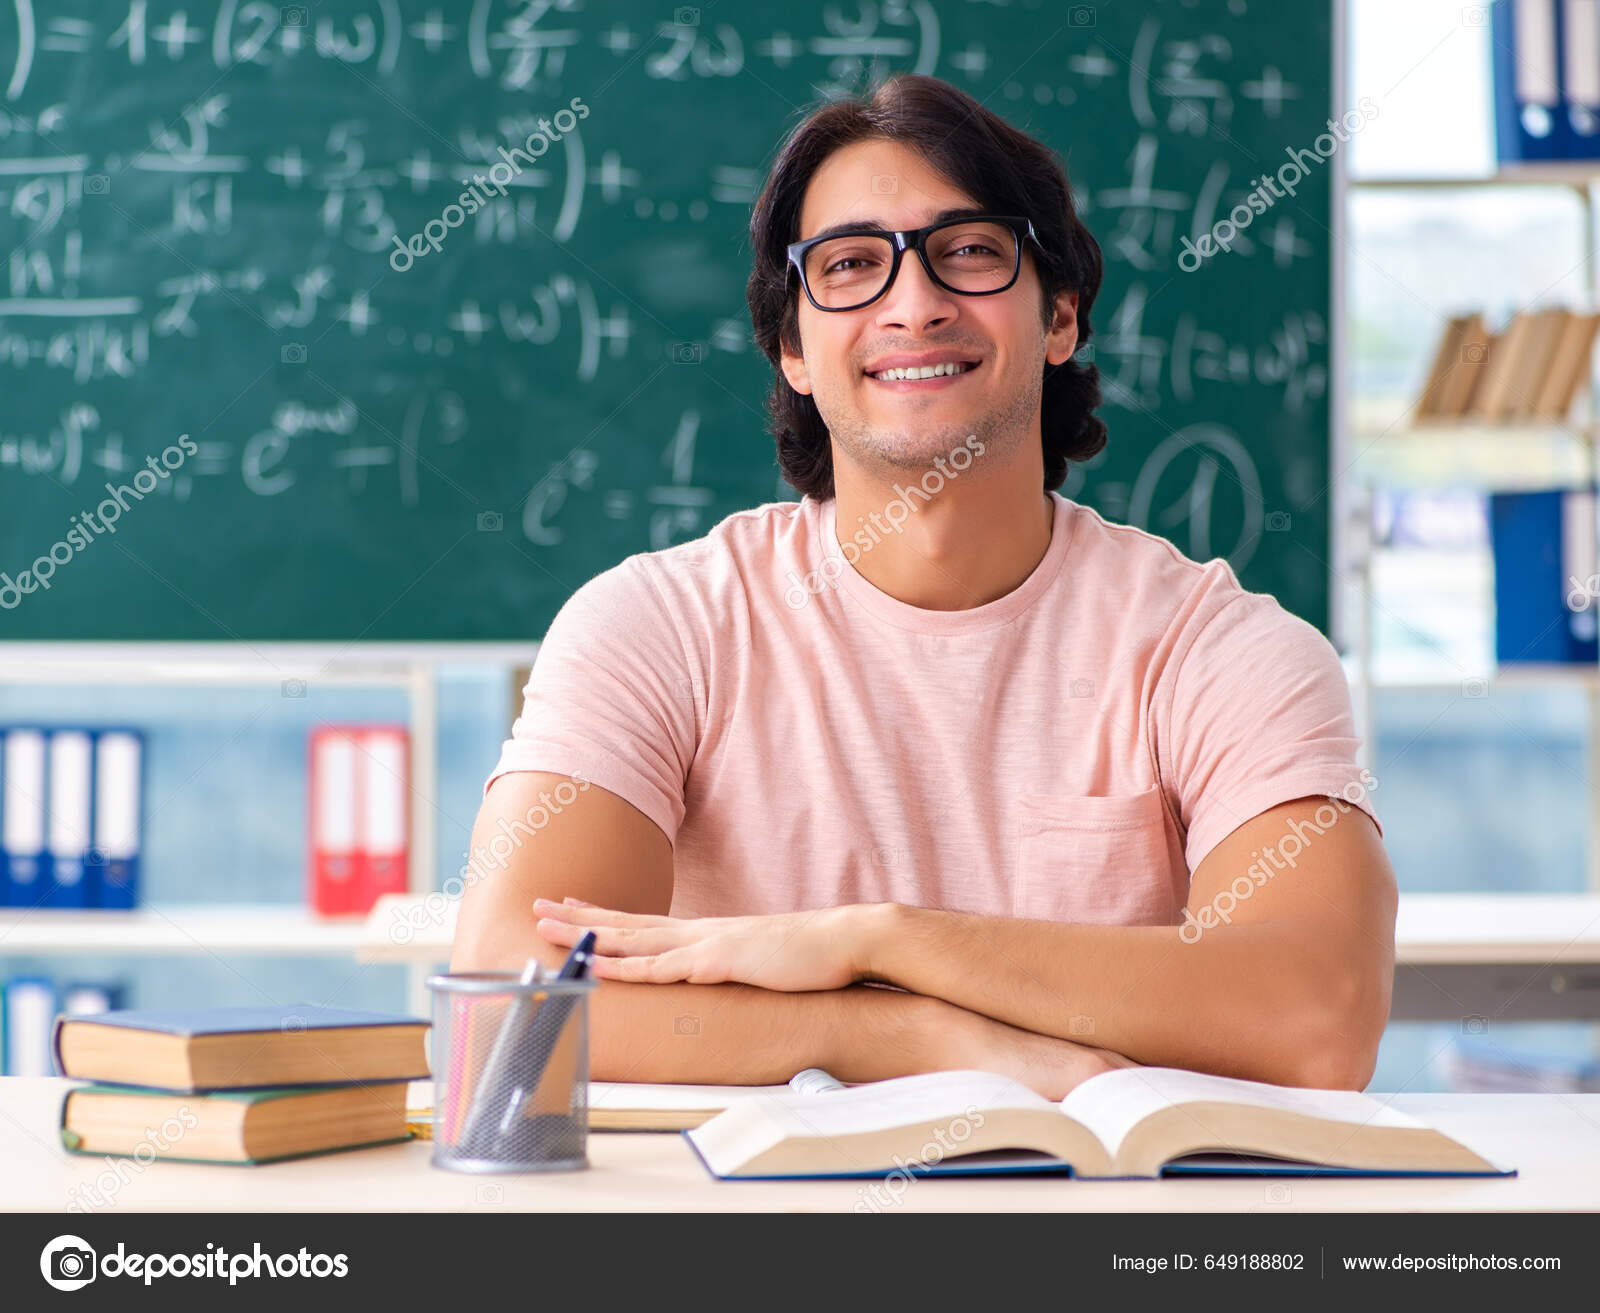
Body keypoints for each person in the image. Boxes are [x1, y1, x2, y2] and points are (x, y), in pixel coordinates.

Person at [451, 74, 1395, 1099]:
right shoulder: (656, 627)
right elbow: (508, 1003)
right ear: (794, 348)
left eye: (971, 252)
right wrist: (914, 1035)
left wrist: (880, 939)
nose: (914, 303)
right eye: (852, 264)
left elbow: (1317, 1016)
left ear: (1061, 316)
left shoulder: (1223, 650)